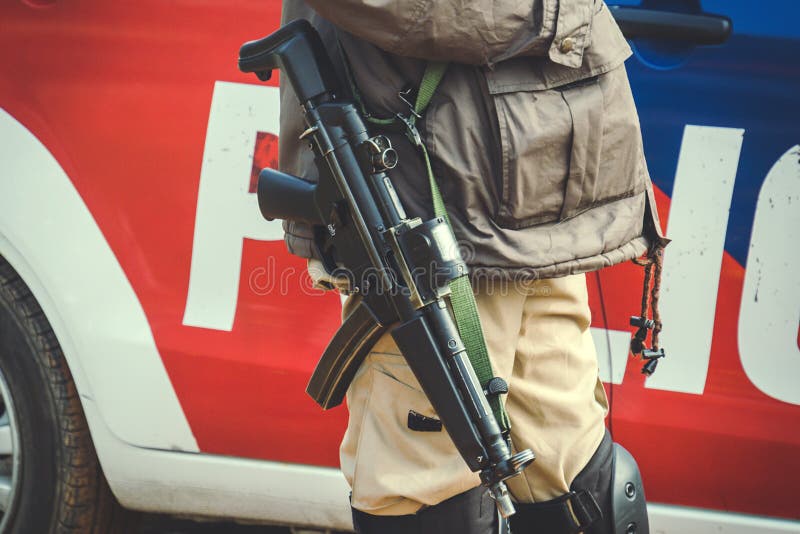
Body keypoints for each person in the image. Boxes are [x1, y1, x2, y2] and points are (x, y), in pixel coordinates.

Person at [277, 1, 667, 532]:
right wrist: (553, 11)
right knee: (426, 493)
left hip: (543, 194)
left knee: (578, 481)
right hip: (428, 205)